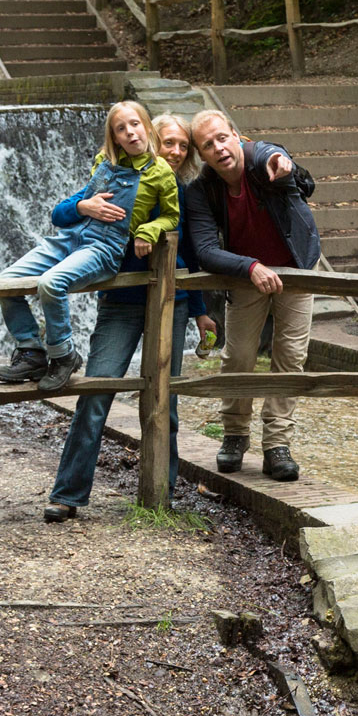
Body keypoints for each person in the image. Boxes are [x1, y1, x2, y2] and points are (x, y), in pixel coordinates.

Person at [39, 113, 217, 523]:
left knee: (164, 400)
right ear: (151, 138)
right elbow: (68, 213)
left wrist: (200, 310)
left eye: (182, 146)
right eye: (168, 142)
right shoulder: (115, 173)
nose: (174, 151)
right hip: (121, 301)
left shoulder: (182, 192)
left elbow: (187, 255)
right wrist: (85, 205)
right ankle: (68, 493)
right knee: (97, 391)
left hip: (169, 303)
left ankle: (162, 494)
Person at [0, 100, 180, 395]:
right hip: (71, 238)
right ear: (114, 137)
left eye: (135, 124)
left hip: (105, 248)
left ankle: (63, 355)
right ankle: (31, 352)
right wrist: (84, 205)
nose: (130, 133)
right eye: (121, 129)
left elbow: (171, 216)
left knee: (51, 283)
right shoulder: (104, 162)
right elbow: (60, 212)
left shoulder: (161, 172)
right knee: (5, 283)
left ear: (147, 127)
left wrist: (148, 230)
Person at [183, 108, 320, 483]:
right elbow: (206, 250)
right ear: (201, 154)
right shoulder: (201, 191)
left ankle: (277, 445)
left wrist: (282, 160)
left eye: (222, 138)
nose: (219, 148)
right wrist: (251, 267)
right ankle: (235, 435)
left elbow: (270, 153)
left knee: (291, 356)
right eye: (208, 144)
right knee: (238, 355)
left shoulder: (262, 160)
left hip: (296, 264)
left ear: (235, 135)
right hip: (247, 274)